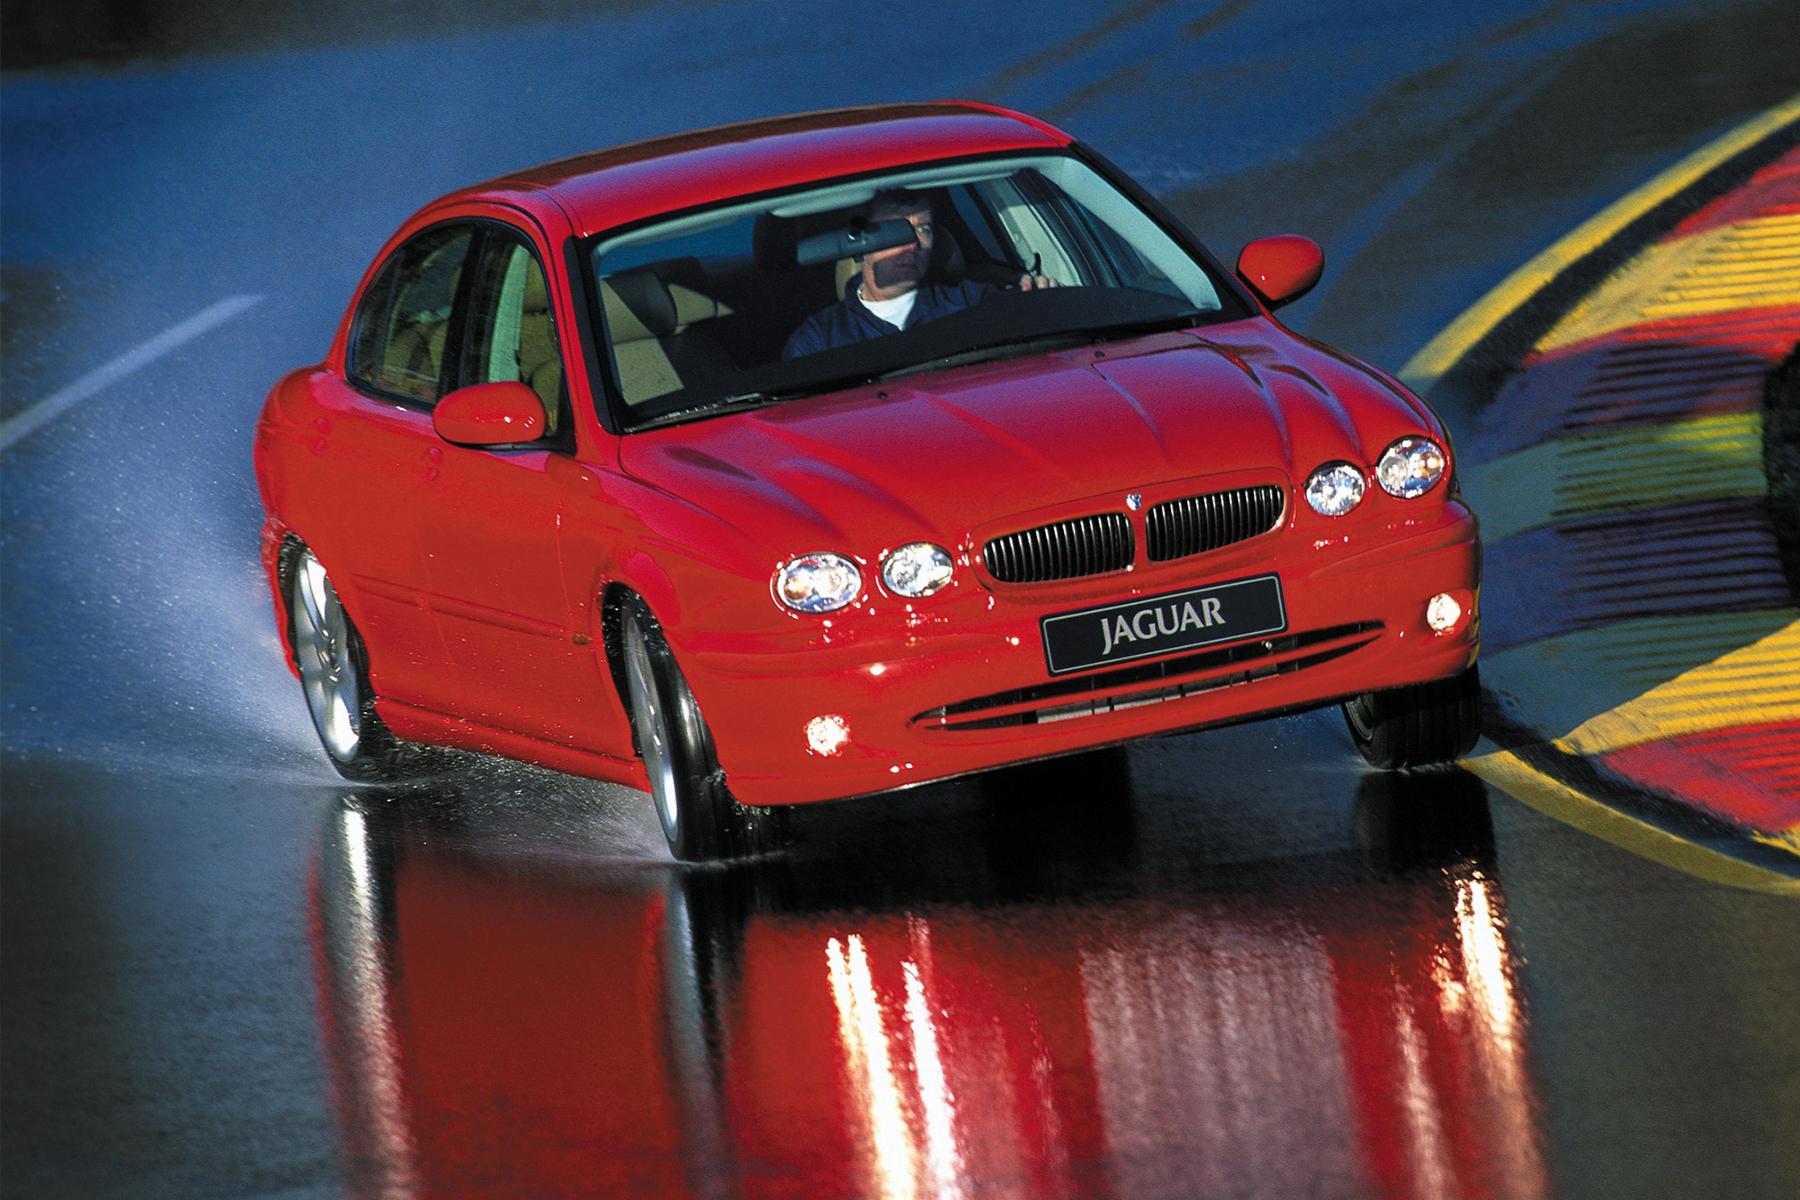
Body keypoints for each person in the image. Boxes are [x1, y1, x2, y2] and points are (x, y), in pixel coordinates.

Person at [782, 188, 1056, 360]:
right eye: (895, 230)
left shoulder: (971, 301)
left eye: (923, 230)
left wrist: (1041, 303)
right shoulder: (819, 341)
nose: (913, 244)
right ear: (860, 241)